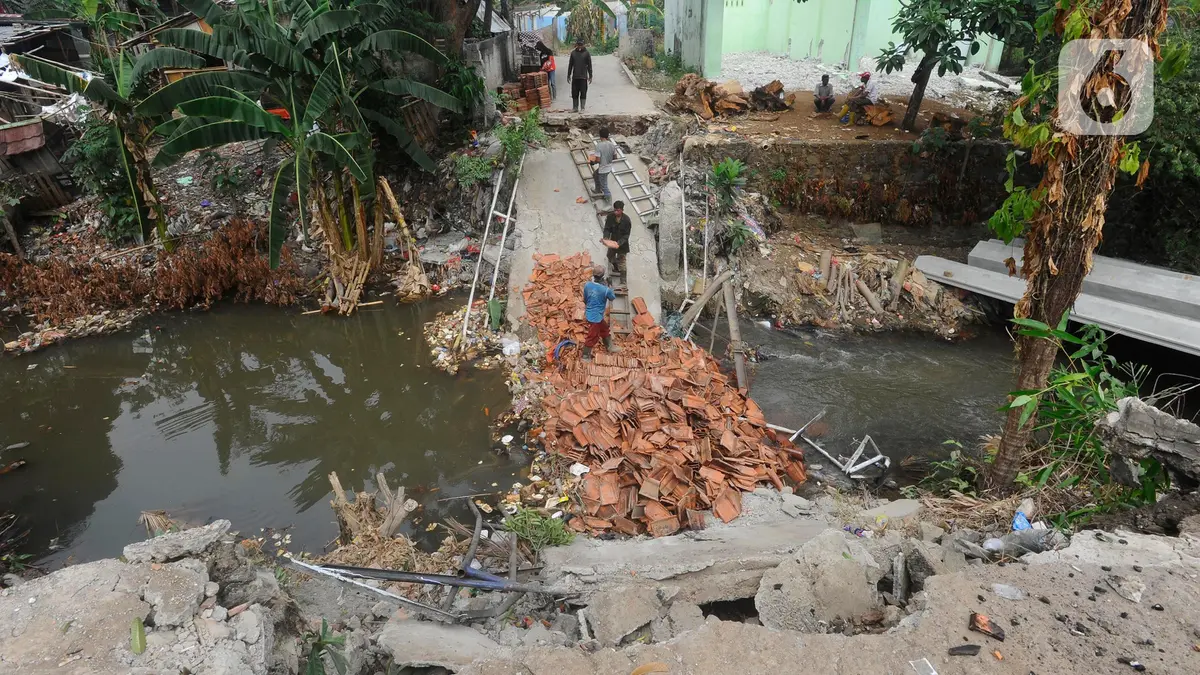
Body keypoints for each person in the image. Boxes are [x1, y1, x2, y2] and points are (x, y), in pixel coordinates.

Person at [581, 264, 622, 360]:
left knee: (604, 328)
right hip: (596, 317)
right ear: (603, 276)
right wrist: (609, 286)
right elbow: (612, 298)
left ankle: (609, 346)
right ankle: (585, 355)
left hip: (590, 313)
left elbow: (585, 299)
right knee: (593, 336)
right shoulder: (606, 290)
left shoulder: (587, 285)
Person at [602, 200, 632, 273]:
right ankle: (616, 267)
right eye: (615, 210)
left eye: (618, 211)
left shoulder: (626, 220)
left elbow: (626, 235)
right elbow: (607, 228)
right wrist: (606, 237)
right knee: (610, 256)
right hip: (613, 241)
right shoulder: (610, 217)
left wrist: (618, 243)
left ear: (622, 210)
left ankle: (623, 281)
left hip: (622, 244)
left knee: (622, 262)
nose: (616, 212)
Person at [590, 127, 617, 202]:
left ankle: (609, 203)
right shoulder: (612, 145)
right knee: (595, 174)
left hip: (603, 169)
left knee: (604, 186)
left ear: (600, 136)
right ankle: (597, 190)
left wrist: (593, 162)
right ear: (607, 136)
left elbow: (598, 160)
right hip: (609, 167)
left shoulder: (599, 145)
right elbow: (615, 157)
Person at [567, 37, 593, 113]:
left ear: (583, 45)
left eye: (581, 45)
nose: (580, 46)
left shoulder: (586, 53)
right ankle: (575, 108)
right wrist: (568, 75)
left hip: (583, 77)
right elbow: (570, 65)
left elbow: (589, 65)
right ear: (576, 45)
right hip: (575, 77)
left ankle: (582, 108)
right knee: (574, 92)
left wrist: (590, 76)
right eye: (578, 45)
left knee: (583, 92)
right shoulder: (573, 53)